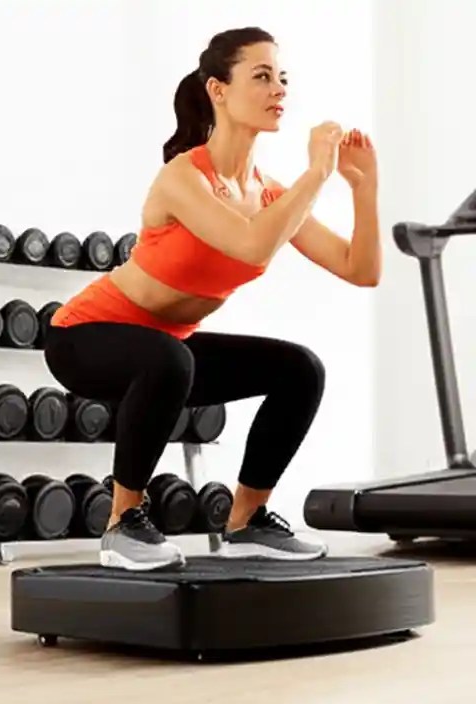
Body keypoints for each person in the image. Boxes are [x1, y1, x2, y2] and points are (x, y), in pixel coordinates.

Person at [43, 27, 379, 571]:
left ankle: (247, 522)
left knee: (299, 369)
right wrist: (316, 172)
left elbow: (359, 269)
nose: (279, 90)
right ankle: (122, 523)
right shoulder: (184, 177)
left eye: (283, 78)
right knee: (170, 357)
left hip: (166, 349)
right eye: (262, 76)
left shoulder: (269, 192)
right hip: (81, 337)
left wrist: (364, 190)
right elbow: (251, 243)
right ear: (218, 90)